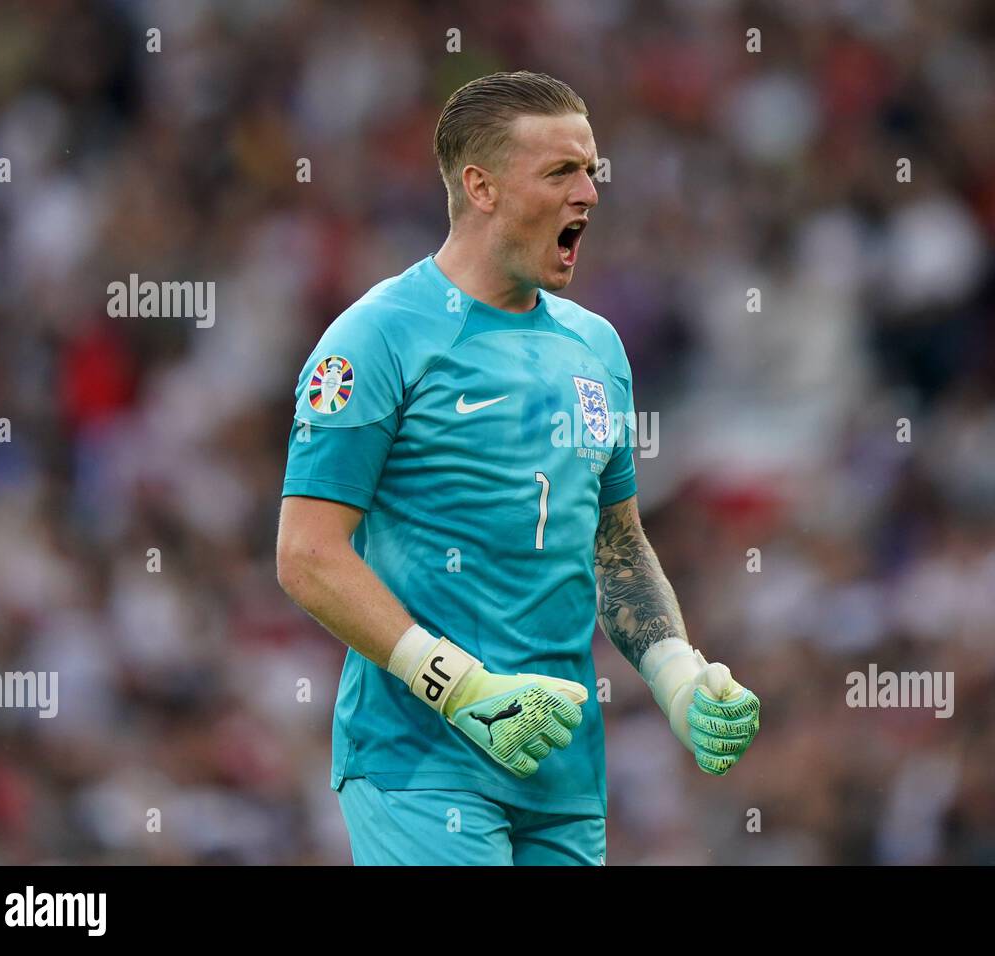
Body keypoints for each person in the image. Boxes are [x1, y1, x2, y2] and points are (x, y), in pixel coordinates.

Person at [276, 71, 760, 866]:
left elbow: (616, 543)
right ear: (482, 187)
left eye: (592, 171)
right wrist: (461, 689)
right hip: (421, 763)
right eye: (562, 172)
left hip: (562, 774)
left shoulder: (597, 349)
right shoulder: (377, 338)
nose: (590, 194)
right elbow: (307, 553)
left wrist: (677, 671)